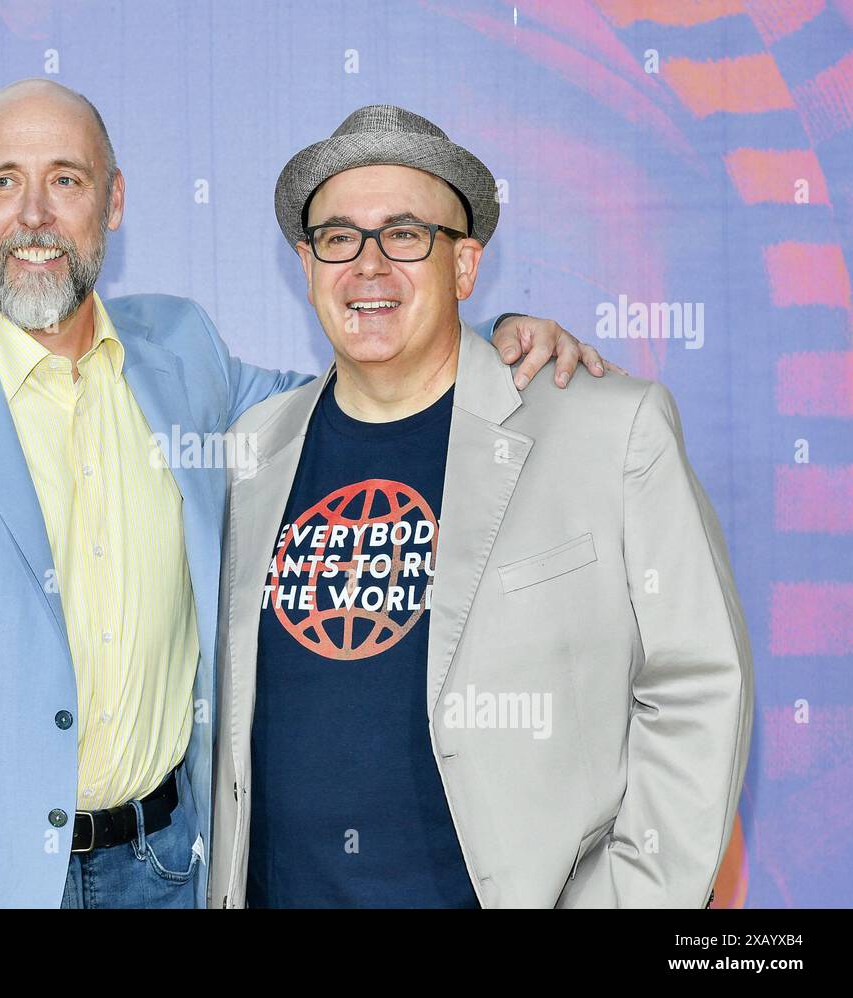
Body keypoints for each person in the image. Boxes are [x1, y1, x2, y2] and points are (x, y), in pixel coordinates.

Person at [0, 81, 611, 908]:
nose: (34, 213)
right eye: (4, 181)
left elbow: (369, 387)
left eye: (66, 180)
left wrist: (496, 337)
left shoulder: (185, 354)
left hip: (171, 870)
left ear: (114, 204)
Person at [208, 105, 753, 909]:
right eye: (338, 237)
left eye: (404, 234)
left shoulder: (610, 427)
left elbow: (699, 684)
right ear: (306, 263)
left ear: (465, 266)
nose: (368, 266)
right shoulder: (256, 446)